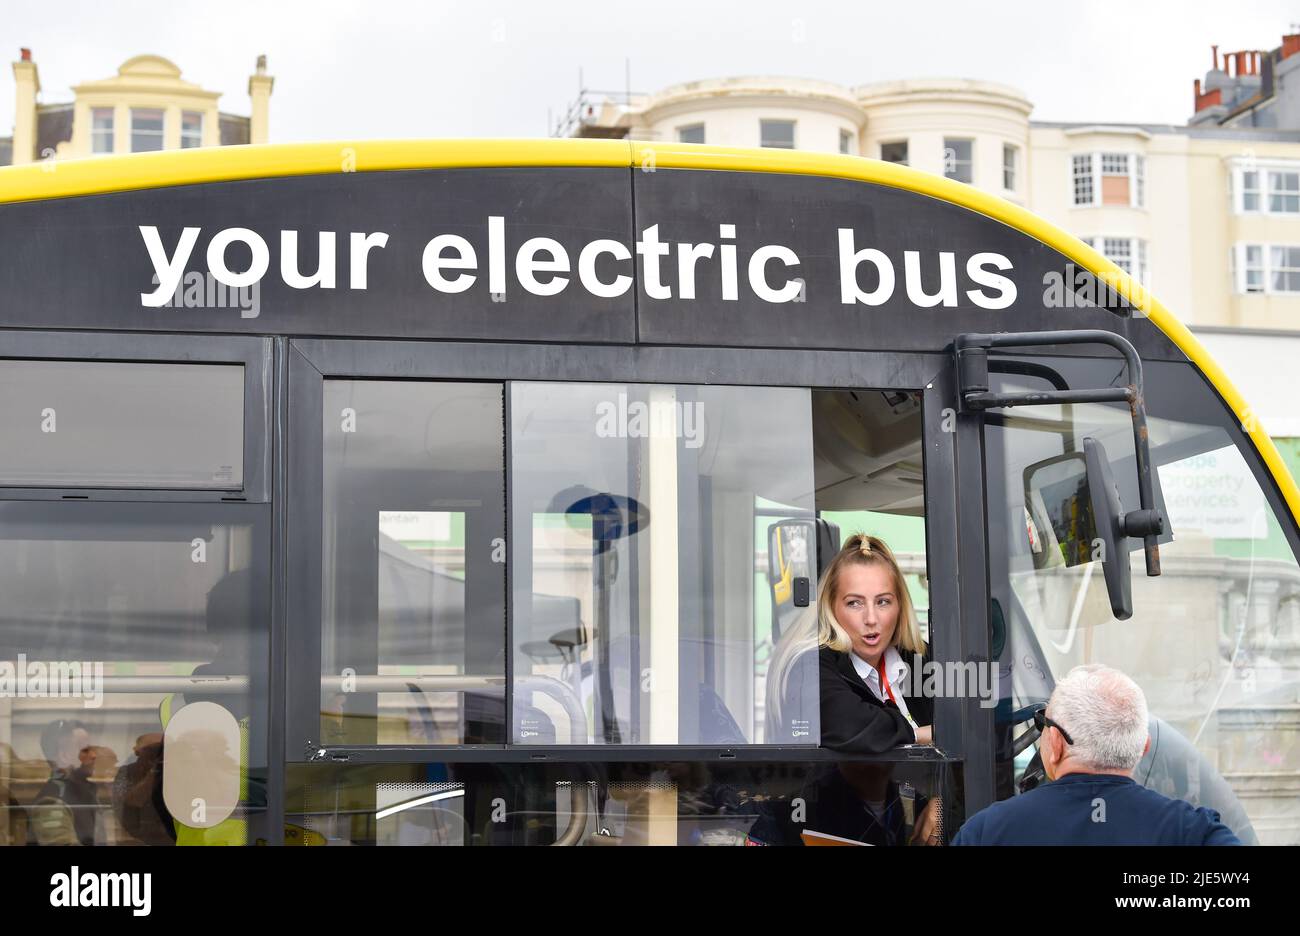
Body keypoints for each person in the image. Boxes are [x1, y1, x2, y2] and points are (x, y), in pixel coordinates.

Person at [953, 664, 1241, 845]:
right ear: (1143, 749)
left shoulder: (986, 832)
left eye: (1042, 723)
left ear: (1055, 743)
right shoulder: (1197, 832)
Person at [818, 534, 934, 753]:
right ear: (831, 607)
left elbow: (976, 719)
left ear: (900, 606)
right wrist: (919, 735)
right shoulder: (814, 666)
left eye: (883, 602)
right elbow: (852, 728)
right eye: (854, 603)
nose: (871, 618)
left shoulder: (921, 658)